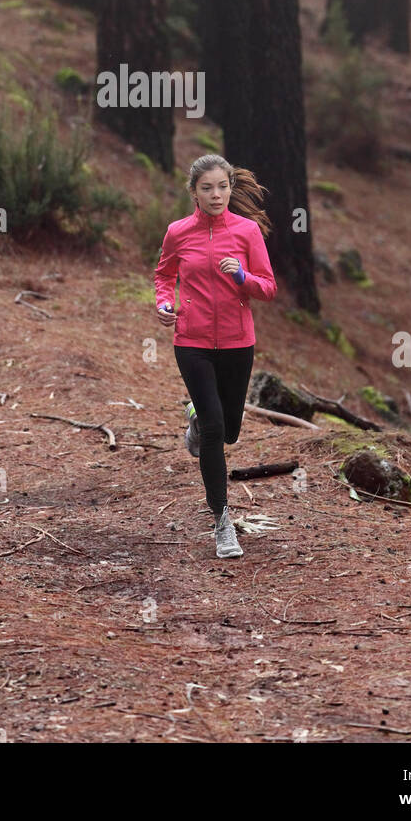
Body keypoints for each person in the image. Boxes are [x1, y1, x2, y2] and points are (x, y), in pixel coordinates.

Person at [153, 154, 277, 558]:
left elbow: (268, 287)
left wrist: (241, 276)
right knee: (213, 430)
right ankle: (223, 524)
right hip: (192, 341)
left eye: (222, 186)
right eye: (207, 188)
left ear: (230, 187)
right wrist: (164, 303)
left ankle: (194, 419)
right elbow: (164, 274)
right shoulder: (178, 232)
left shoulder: (247, 232)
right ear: (194, 192)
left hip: (238, 342)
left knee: (228, 431)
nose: (216, 194)